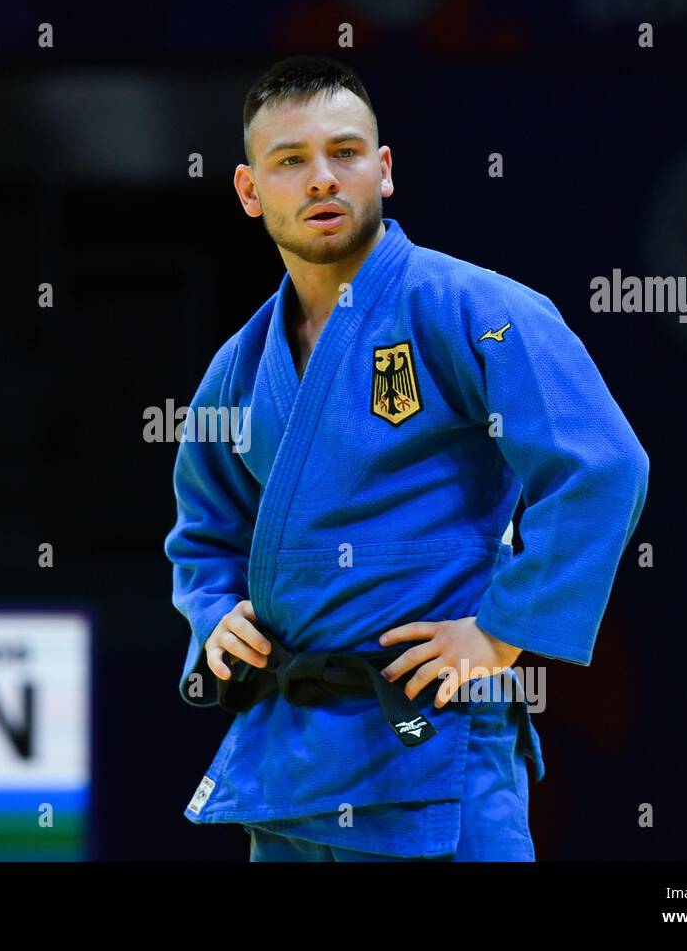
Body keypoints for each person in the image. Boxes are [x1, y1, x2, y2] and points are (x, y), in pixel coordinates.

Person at [164, 56, 649, 861]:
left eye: (345, 153)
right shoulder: (241, 367)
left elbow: (601, 467)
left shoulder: (472, 309)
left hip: (432, 743)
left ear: (383, 171)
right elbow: (205, 530)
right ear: (251, 192)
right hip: (290, 757)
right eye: (291, 161)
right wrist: (214, 617)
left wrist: (502, 632)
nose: (322, 178)